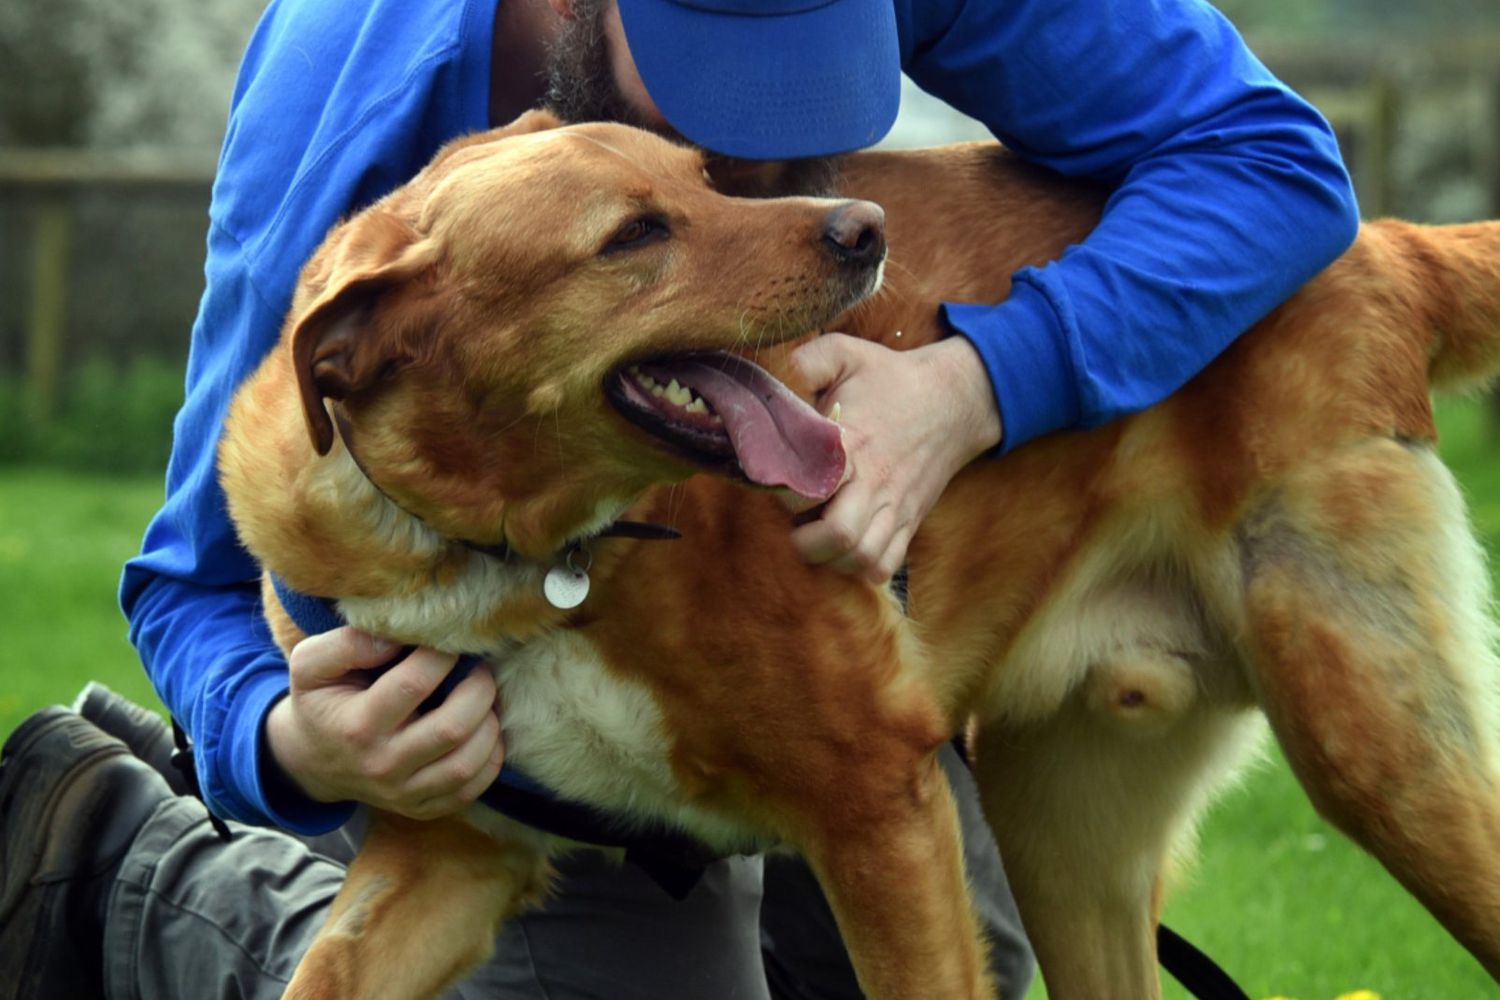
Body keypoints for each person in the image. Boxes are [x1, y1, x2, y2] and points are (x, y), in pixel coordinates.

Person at [0, 0, 1358, 998]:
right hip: (500, 719)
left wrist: (973, 390)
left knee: (964, 963)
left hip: (749, 599)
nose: (786, 167)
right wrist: (291, 743)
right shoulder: (349, 91)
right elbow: (185, 574)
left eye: (816, 78)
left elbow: (1275, 162)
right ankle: (122, 866)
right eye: (720, 94)